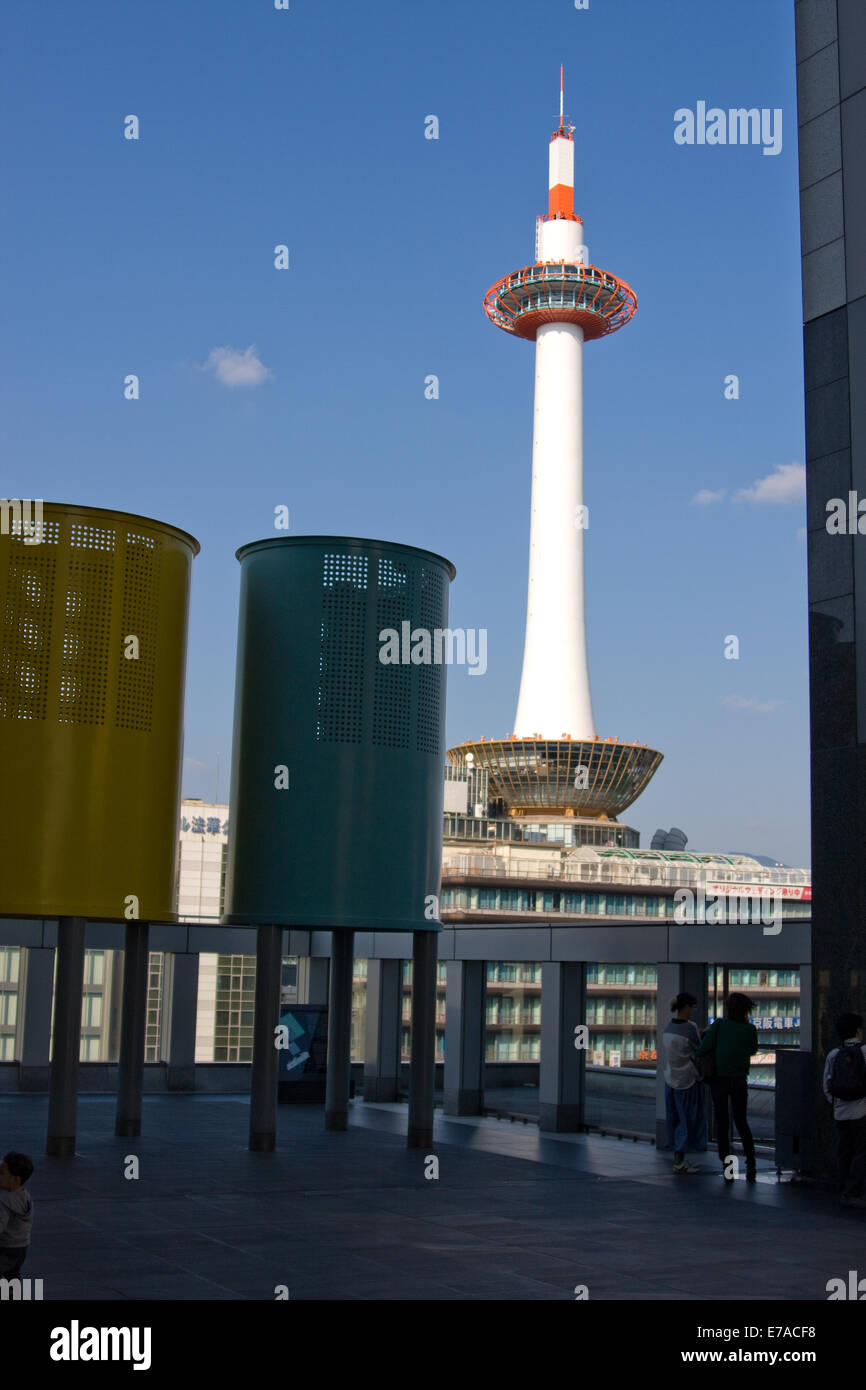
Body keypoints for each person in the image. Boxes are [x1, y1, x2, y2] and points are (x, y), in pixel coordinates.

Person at [695, 993, 758, 1183]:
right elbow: (753, 1050)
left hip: (719, 1080)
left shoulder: (720, 1025)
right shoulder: (750, 1029)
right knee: (741, 1122)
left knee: (722, 1123)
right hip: (740, 1080)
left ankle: (728, 1167)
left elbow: (702, 1049)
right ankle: (751, 1164)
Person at [823, 1012, 866, 1208]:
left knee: (844, 1152)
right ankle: (853, 1191)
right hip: (861, 1111)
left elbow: (826, 1085)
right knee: (861, 1152)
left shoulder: (834, 1054)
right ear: (857, 1031)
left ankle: (843, 1189)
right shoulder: (864, 1051)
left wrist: (837, 1103)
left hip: (840, 1114)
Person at [662, 992, 707, 1174]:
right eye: (693, 1006)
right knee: (689, 1118)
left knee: (675, 1118)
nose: (694, 1010)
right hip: (688, 1080)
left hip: (671, 1079)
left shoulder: (668, 1028)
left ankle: (677, 1157)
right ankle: (680, 1159)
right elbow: (699, 1048)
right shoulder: (691, 1027)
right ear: (687, 1006)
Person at [0, 1151, 34, 1277]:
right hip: (21, 1246)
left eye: (2, 1173)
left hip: (6, 1247)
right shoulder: (25, 1195)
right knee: (12, 1274)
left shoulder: (6, 1200)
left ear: (15, 1179)